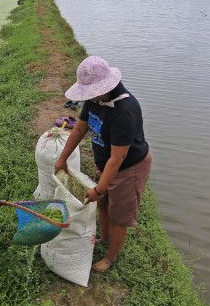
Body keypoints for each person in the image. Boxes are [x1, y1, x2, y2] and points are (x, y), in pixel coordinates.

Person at [54, 56, 152, 272]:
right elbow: (79, 129)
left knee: (119, 215)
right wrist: (62, 158)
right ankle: (104, 238)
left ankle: (109, 258)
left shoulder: (125, 110)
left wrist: (99, 188)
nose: (89, 98)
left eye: (92, 94)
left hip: (129, 168)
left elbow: (118, 158)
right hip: (106, 162)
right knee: (103, 205)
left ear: (106, 87)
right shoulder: (95, 100)